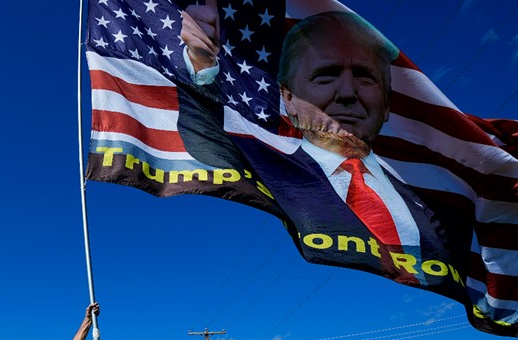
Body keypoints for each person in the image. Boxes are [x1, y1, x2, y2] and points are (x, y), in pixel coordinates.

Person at [180, 8, 471, 286]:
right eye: (326, 76)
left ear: (387, 105)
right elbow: (204, 126)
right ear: (288, 97)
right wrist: (202, 64)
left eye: (365, 77)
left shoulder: (435, 196)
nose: (347, 93)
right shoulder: (269, 165)